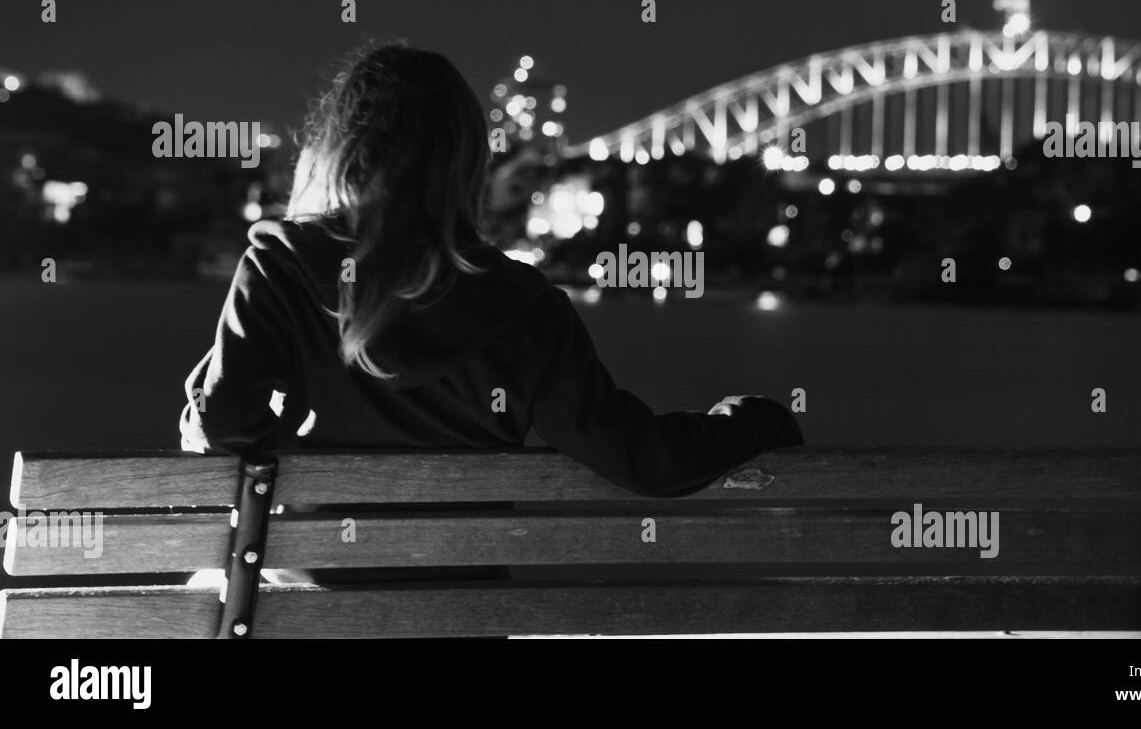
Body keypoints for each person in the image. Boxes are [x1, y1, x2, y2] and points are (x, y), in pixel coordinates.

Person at [178, 44, 802, 500]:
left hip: (305, 619)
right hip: (462, 619)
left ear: (338, 150)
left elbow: (227, 429)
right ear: (468, 163)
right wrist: (752, 421)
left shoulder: (280, 264)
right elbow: (644, 461)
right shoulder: (525, 304)